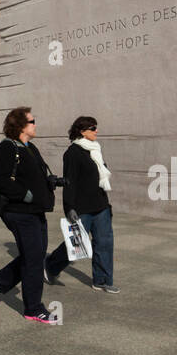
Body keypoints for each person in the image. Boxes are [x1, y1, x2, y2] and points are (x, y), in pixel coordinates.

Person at [0, 106, 60, 323]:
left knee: (34, 255)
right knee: (35, 259)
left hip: (36, 211)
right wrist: (25, 195)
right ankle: (33, 308)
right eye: (32, 121)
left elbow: (33, 176)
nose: (36, 124)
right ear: (20, 125)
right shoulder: (7, 148)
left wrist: (50, 182)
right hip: (19, 212)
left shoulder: (31, 148)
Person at [45, 116, 118, 292]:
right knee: (76, 245)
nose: (96, 131)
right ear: (82, 131)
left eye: (96, 128)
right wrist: (69, 207)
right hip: (82, 208)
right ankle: (51, 266)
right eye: (93, 128)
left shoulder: (95, 150)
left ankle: (102, 280)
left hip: (101, 205)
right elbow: (71, 182)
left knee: (104, 243)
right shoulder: (72, 153)